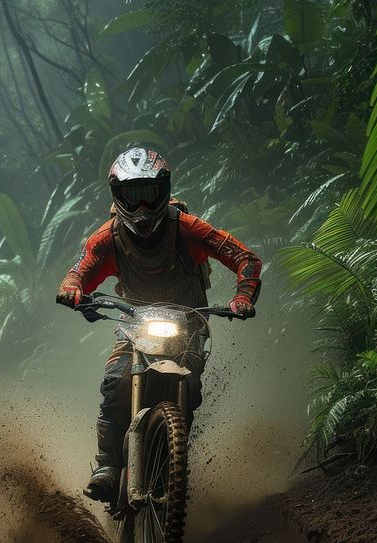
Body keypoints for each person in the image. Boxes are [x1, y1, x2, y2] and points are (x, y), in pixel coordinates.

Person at [56, 147, 262, 502]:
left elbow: (245, 258)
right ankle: (106, 464)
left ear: (164, 190)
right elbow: (77, 273)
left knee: (191, 390)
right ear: (118, 196)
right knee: (114, 382)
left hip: (190, 321)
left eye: (149, 194)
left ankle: (173, 462)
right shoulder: (107, 238)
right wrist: (73, 291)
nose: (142, 209)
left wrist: (243, 296)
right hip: (135, 322)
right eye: (132, 197)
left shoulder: (187, 228)